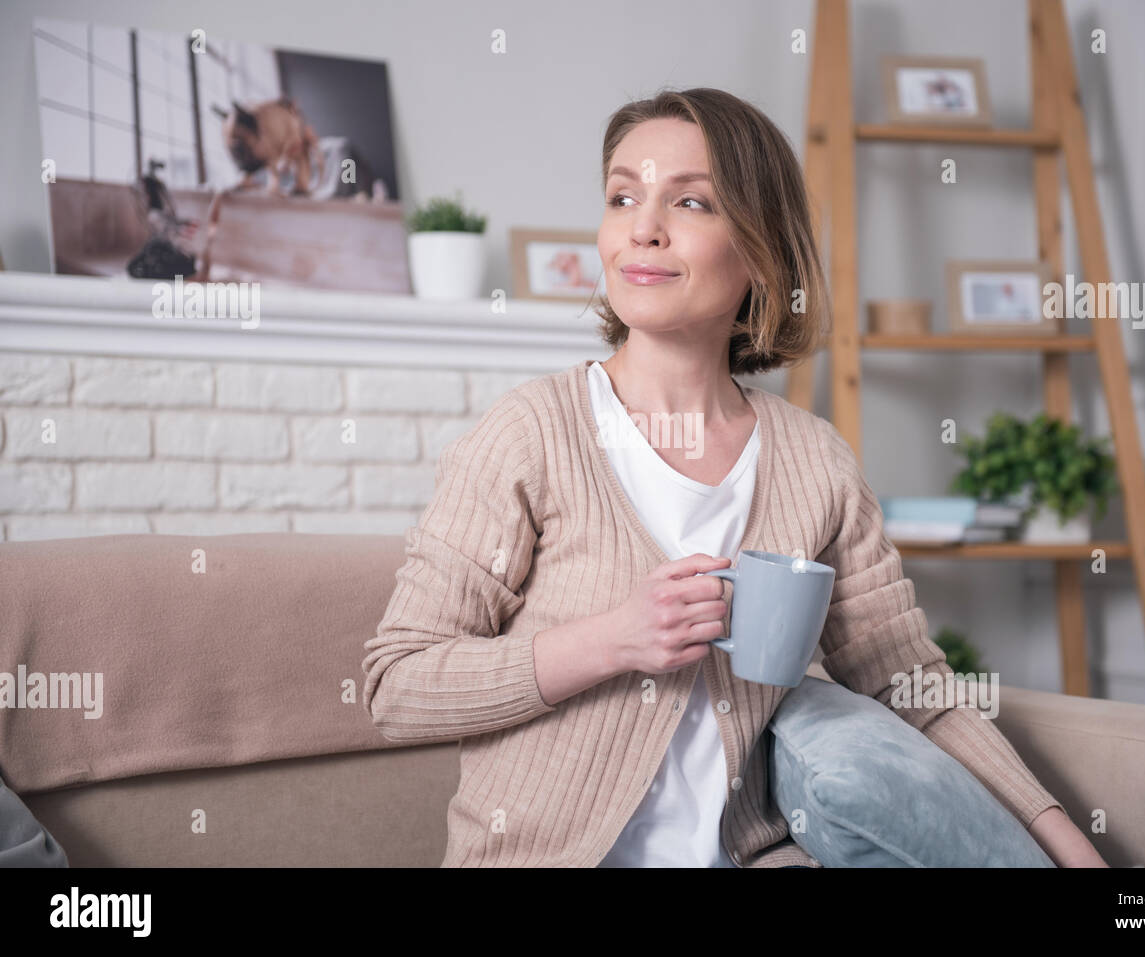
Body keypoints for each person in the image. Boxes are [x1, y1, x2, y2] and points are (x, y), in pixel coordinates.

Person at [362, 87, 1106, 868]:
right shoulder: (532, 433)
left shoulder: (815, 461)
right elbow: (398, 684)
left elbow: (909, 689)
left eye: (689, 201)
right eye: (623, 196)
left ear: (759, 250)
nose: (642, 227)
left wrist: (1071, 849)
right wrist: (611, 640)